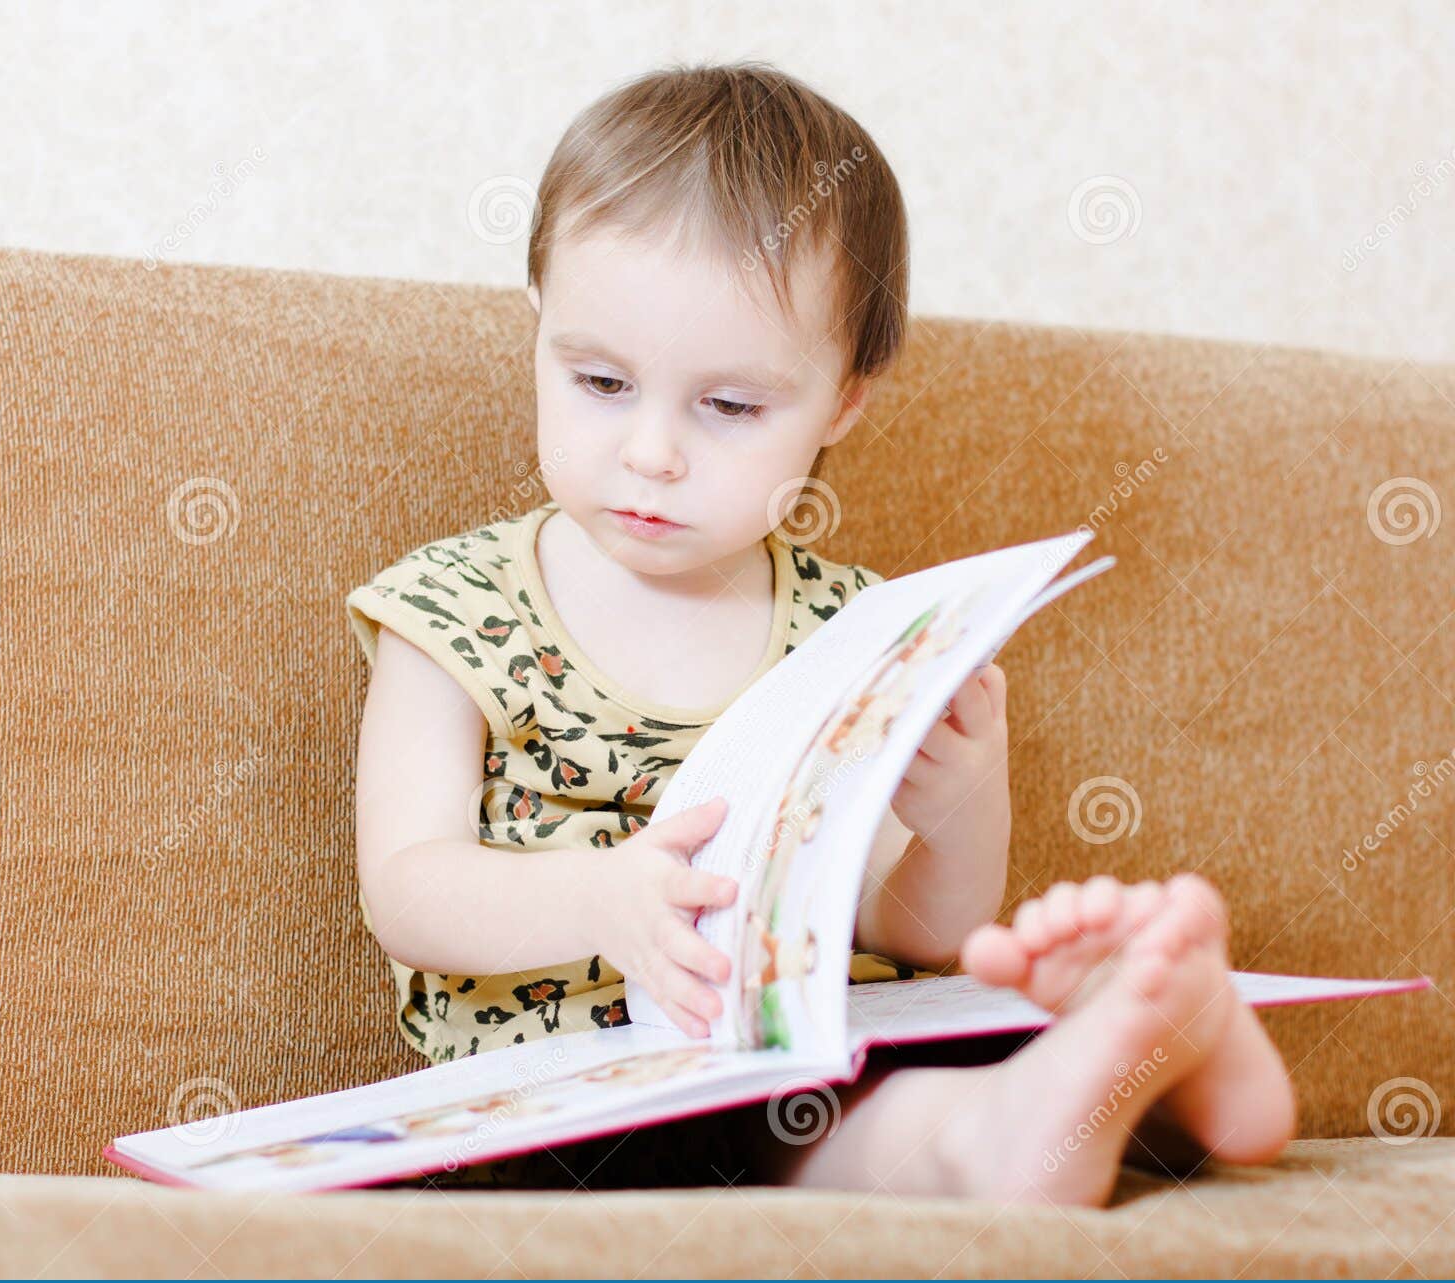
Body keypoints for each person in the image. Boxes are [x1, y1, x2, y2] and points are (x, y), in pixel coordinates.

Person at [345, 60, 1295, 1203]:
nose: (651, 451)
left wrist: (954, 810)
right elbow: (407, 885)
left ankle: (1143, 1061)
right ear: (539, 327)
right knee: (791, 1140)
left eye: (729, 406)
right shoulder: (452, 608)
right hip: (560, 1103)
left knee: (891, 1074)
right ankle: (1066, 1111)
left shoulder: (855, 627)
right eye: (600, 380)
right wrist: (602, 899)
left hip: (808, 1052)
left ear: (844, 399)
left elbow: (921, 924)